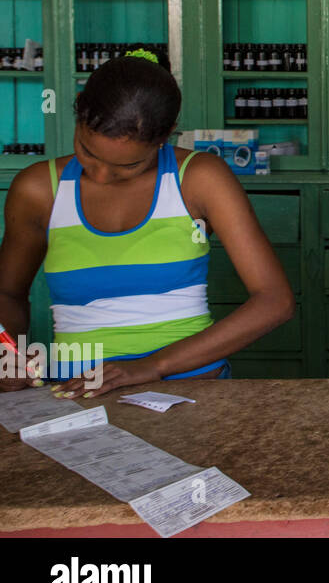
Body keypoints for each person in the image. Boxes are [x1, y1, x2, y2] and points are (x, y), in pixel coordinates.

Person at [0, 46, 295, 396]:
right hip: (77, 391)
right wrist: (9, 355)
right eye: (88, 152)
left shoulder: (199, 178)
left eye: (128, 165)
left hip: (189, 383)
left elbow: (274, 300)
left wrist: (153, 366)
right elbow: (8, 292)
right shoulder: (38, 189)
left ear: (165, 136)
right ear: (79, 112)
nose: (104, 175)